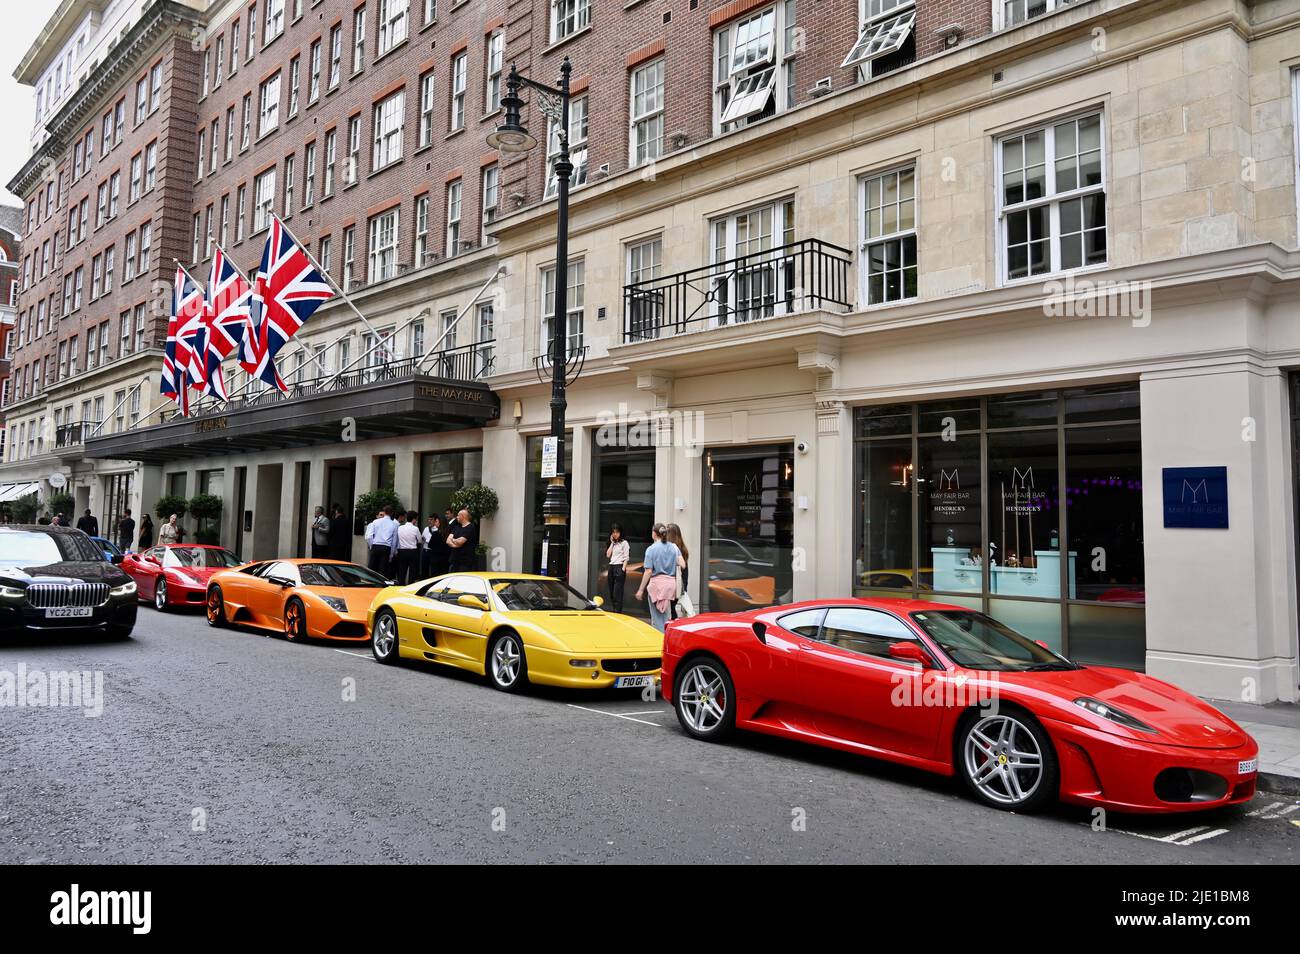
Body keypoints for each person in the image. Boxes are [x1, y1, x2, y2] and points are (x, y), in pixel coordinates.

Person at [635, 524, 683, 633]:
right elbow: (683, 564)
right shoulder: (674, 547)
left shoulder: (651, 549)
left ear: (654, 533)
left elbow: (648, 571)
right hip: (670, 586)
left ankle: (659, 640)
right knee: (667, 616)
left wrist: (641, 590)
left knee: (656, 618)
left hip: (656, 586)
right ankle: (667, 637)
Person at [665, 523, 690, 619]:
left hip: (672, 582)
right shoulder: (683, 549)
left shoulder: (670, 549)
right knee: (672, 608)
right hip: (680, 583)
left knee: (670, 610)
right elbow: (685, 570)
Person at [365, 506, 399, 578]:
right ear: (392, 513)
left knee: (372, 569)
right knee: (383, 571)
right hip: (386, 548)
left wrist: (372, 546)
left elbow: (369, 536)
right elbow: (394, 541)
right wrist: (391, 554)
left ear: (384, 511)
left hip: (375, 546)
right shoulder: (394, 524)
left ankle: (370, 585)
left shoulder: (375, 521)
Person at [605, 523, 630, 614]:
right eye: (613, 532)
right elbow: (608, 555)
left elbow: (626, 557)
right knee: (611, 592)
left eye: (617, 532)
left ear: (620, 533)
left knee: (617, 593)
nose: (615, 534)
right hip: (611, 567)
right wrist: (612, 543)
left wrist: (623, 569)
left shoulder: (624, 543)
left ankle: (617, 612)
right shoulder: (613, 543)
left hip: (619, 567)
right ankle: (615, 610)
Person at [396, 510, 421, 584]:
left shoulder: (400, 528)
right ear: (414, 519)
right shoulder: (415, 529)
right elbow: (419, 540)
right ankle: (410, 587)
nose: (416, 521)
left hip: (402, 551)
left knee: (402, 571)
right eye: (416, 519)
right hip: (412, 552)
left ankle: (401, 585)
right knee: (412, 572)